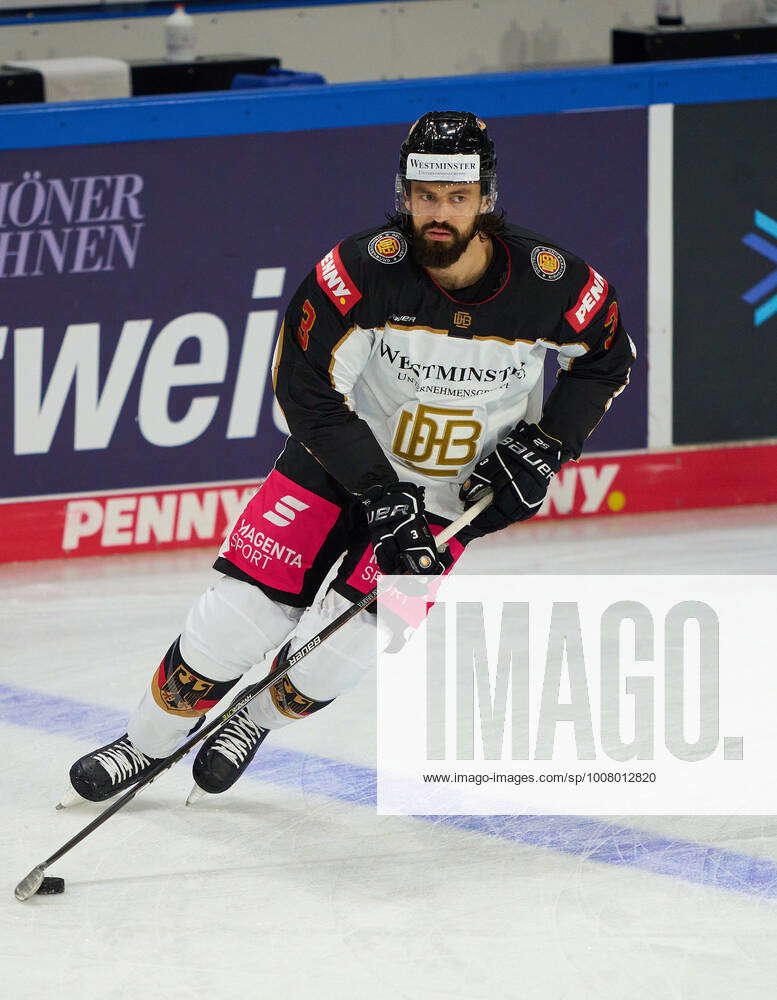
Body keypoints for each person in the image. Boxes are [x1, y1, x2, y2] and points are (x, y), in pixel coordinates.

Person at [62, 110, 635, 806]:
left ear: (486, 198)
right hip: (336, 468)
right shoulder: (360, 271)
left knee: (347, 646)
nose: (439, 214)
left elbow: (606, 359)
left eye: (457, 197)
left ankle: (254, 719)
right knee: (236, 619)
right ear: (403, 193)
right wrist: (380, 491)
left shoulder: (553, 282)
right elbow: (303, 390)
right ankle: (143, 745)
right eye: (425, 195)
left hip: (450, 497)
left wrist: (547, 444)